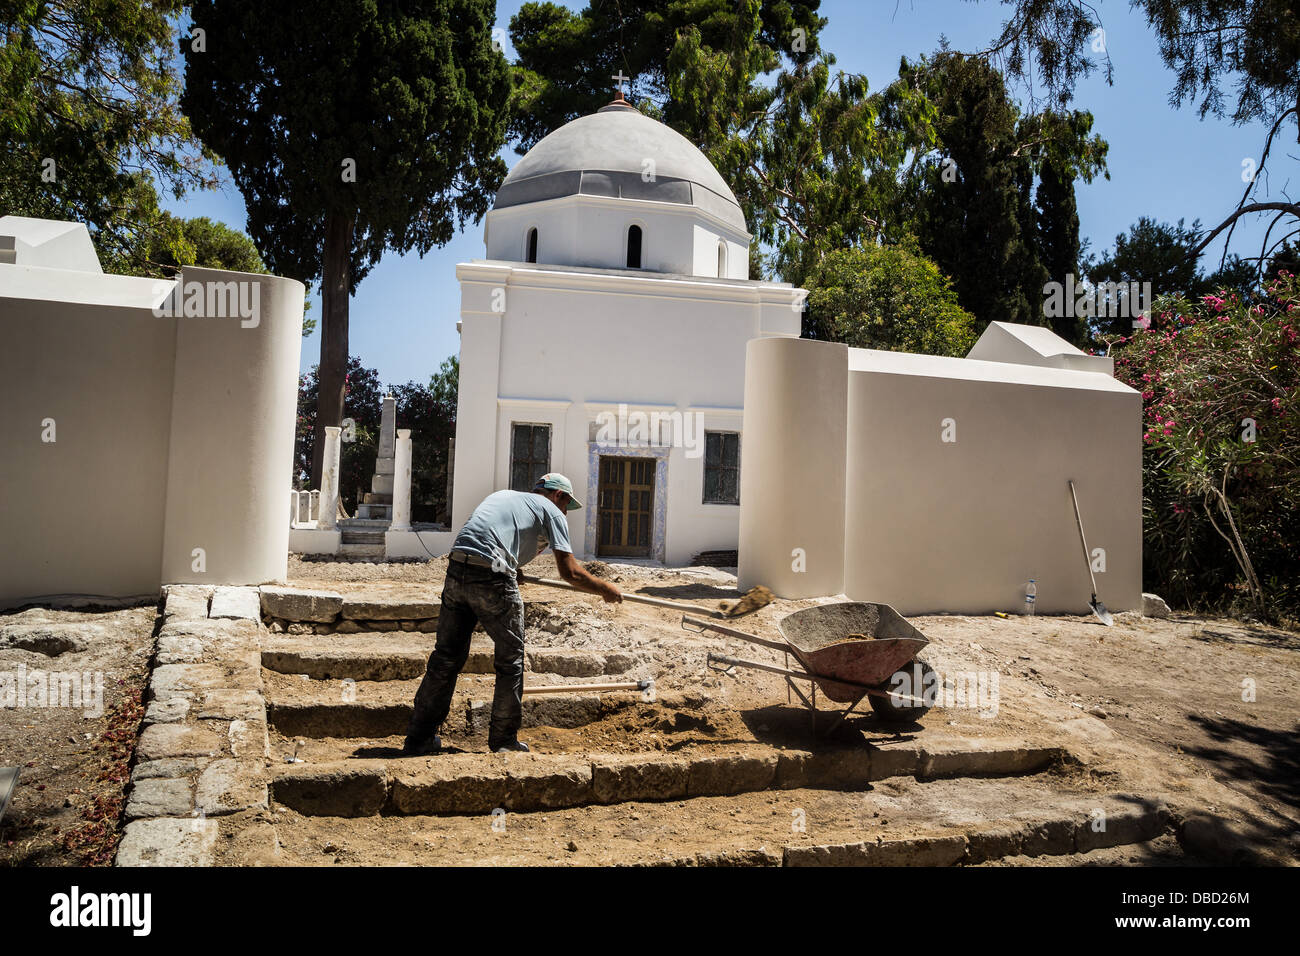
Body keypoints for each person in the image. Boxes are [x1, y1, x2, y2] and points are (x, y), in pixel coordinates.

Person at [404, 473, 622, 755]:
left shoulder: (504, 496)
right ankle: (504, 741)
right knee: (510, 661)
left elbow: (488, 537)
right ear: (559, 497)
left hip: (457, 567)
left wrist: (510, 567)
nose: (566, 512)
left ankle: (418, 738)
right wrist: (605, 588)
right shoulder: (553, 511)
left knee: (445, 658)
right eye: (567, 505)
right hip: (492, 579)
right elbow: (570, 572)